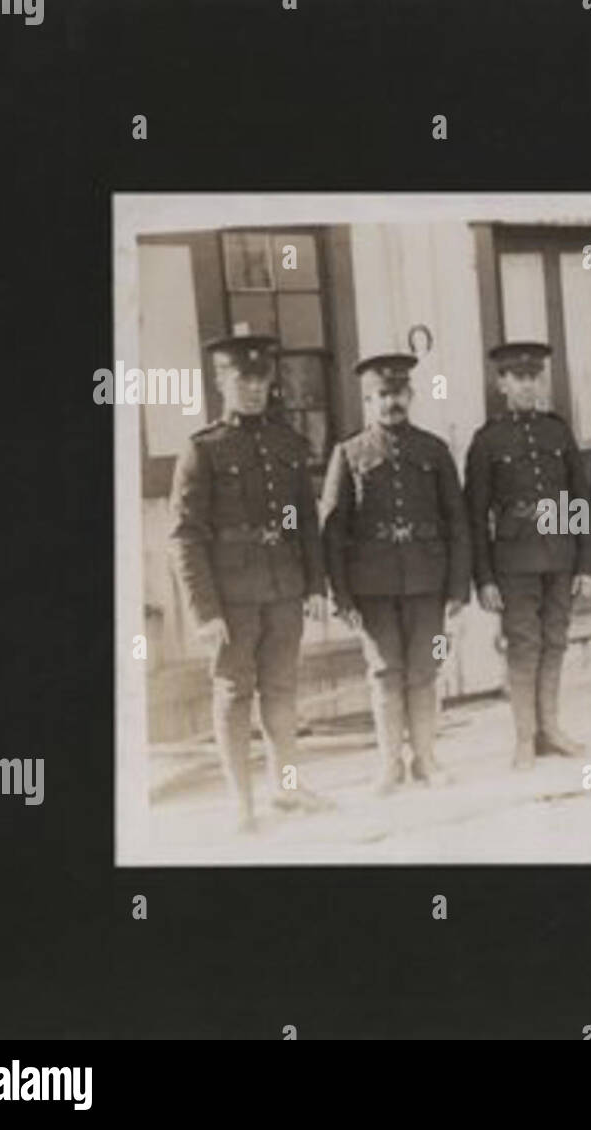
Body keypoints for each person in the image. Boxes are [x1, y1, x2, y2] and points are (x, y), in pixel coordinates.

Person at [169, 333, 328, 833]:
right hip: (231, 599)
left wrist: (315, 584)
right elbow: (186, 537)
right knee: (235, 694)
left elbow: (301, 518)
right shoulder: (203, 450)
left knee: (281, 690)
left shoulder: (286, 445)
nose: (254, 389)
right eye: (243, 380)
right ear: (221, 382)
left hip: (283, 588)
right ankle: (242, 804)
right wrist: (204, 610)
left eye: (261, 379)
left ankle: (286, 786)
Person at [320, 352, 470, 795]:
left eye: (399, 393)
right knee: (385, 672)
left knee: (425, 670)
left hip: (429, 582)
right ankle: (389, 766)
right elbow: (333, 531)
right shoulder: (348, 454)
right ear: (369, 399)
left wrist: (458, 585)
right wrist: (341, 596)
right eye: (382, 395)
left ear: (411, 395)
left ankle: (425, 759)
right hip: (373, 587)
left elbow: (457, 521)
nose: (392, 403)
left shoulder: (435, 450)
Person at [464, 342, 591, 769]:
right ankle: (524, 738)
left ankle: (551, 730)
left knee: (555, 641)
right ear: (502, 384)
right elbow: (474, 515)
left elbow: (581, 500)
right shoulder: (487, 441)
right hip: (514, 560)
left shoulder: (558, 432)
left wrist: (586, 564)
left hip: (560, 553)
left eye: (533, 377)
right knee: (524, 646)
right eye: (517, 377)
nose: (526, 385)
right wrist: (483, 578)